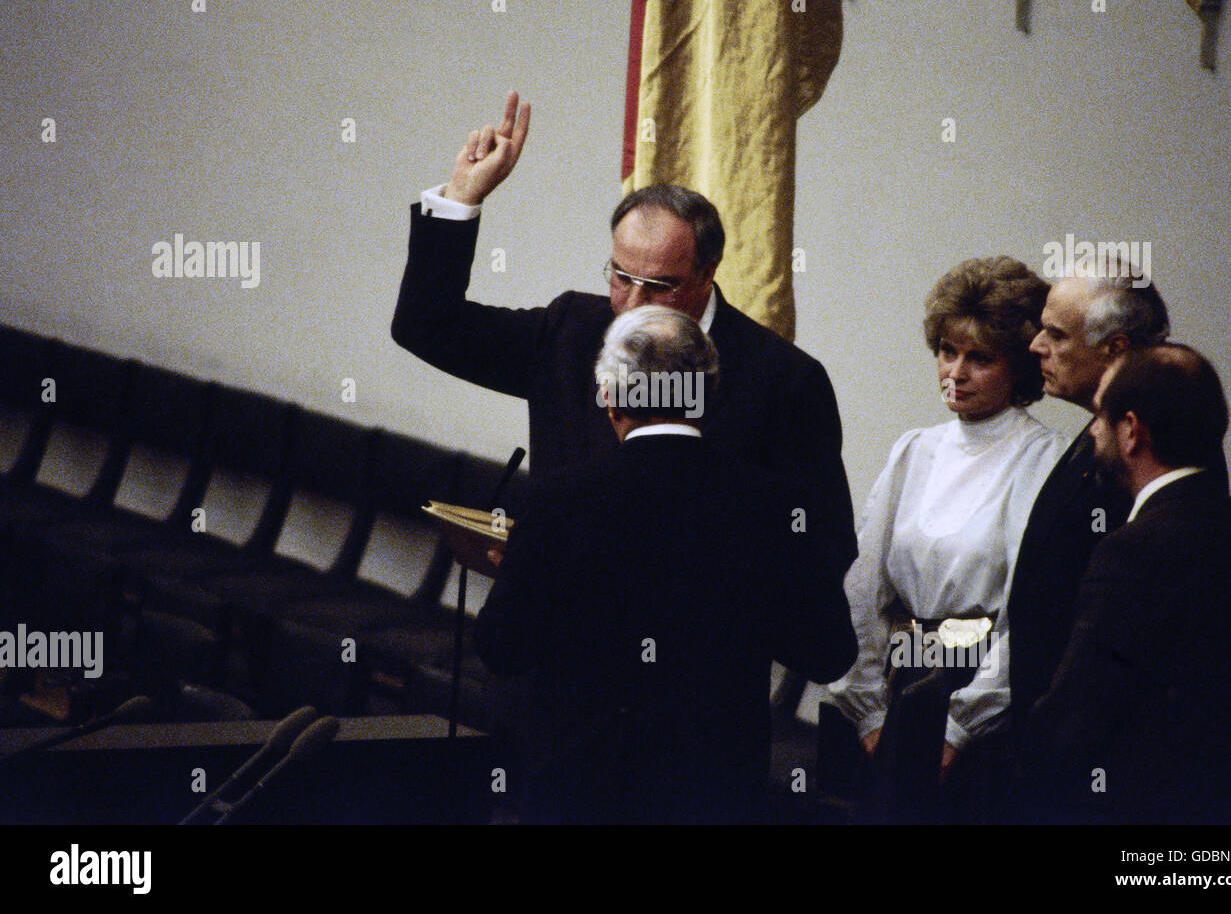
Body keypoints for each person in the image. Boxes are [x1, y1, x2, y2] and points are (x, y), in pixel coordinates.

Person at [390, 92, 857, 575]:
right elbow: (427, 326)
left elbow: (822, 544)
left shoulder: (784, 381)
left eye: (660, 287)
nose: (632, 305)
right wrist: (462, 198)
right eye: (620, 277)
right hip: (565, 636)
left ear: (708, 272)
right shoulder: (570, 331)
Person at [474, 305, 858, 824]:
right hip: (715, 788)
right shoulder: (773, 505)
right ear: (709, 395)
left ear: (609, 400)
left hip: (580, 785)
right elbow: (828, 652)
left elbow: (502, 649)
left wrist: (526, 577)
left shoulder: (558, 498)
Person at [827, 256, 1065, 823]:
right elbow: (859, 582)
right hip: (901, 687)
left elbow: (1031, 613)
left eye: (979, 358)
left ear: (1019, 368)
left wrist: (965, 724)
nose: (955, 372)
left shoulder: (1043, 458)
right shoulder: (916, 449)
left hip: (984, 700)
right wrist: (868, 709)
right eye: (947, 351)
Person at [1021, 345, 1231, 823]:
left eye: (1101, 414)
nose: (1093, 429)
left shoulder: (1133, 550)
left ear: (1131, 430)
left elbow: (1074, 721)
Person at [1004, 258, 1171, 746]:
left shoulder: (1146, 450)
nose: (1036, 345)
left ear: (1114, 348)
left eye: (1056, 335)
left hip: (1090, 757)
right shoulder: (1103, 433)